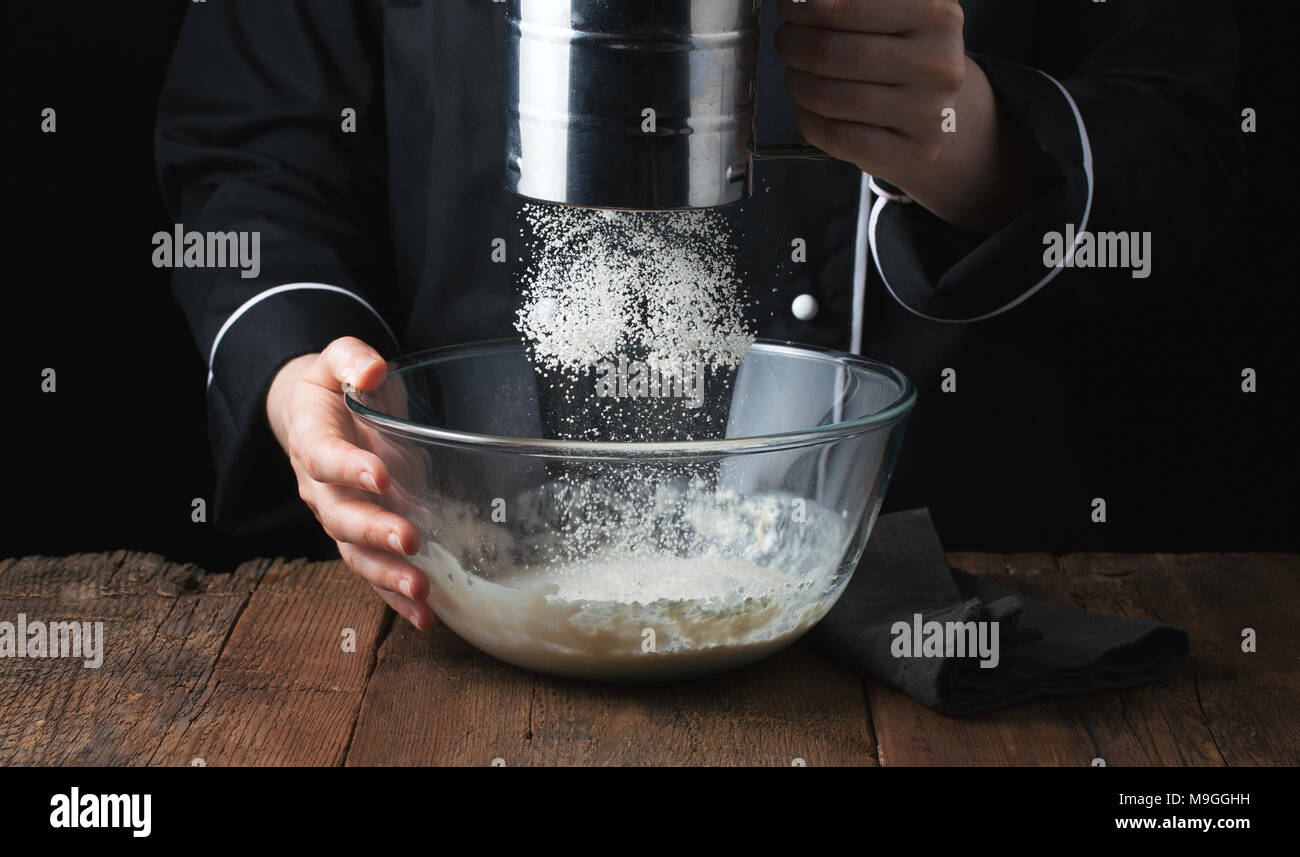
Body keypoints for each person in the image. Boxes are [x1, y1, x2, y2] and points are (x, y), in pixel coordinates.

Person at [157, 0, 1239, 631]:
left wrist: (986, 148)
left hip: (975, 588)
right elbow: (258, 141)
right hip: (453, 569)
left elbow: (1212, 124)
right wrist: (299, 361)